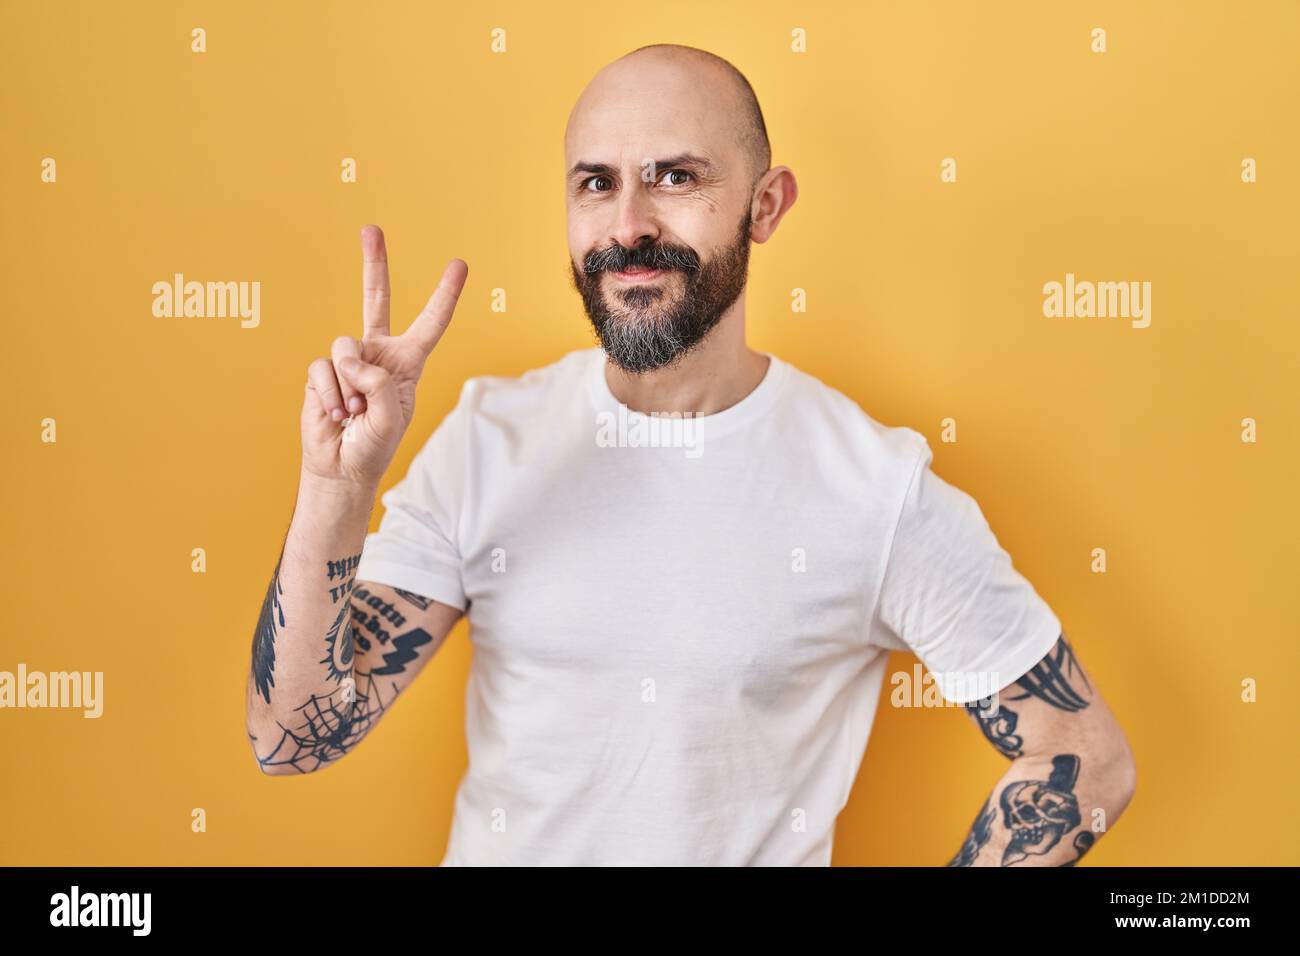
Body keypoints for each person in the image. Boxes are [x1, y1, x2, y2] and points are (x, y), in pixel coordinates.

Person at [244, 43, 1136, 866]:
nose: (629, 225)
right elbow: (294, 738)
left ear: (766, 204)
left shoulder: (874, 487)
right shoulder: (488, 439)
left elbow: (1084, 759)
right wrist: (337, 486)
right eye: (596, 183)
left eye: (675, 177)